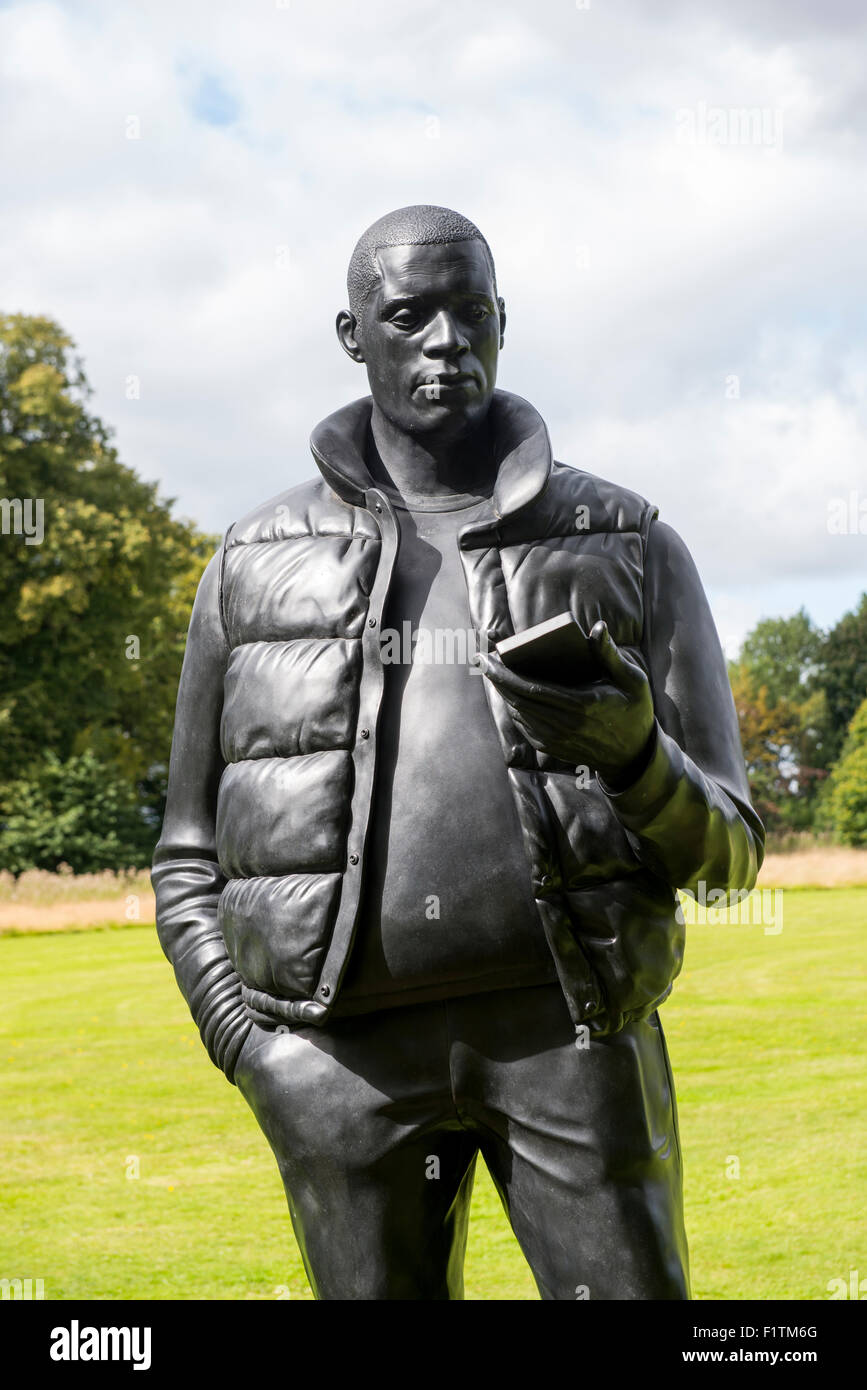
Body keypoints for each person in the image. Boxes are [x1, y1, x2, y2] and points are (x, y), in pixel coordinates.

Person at [152, 204, 764, 1300]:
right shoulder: (250, 563)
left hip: (574, 1046)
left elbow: (731, 854)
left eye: (471, 312)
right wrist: (251, 1044)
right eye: (409, 314)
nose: (445, 340)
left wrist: (635, 760)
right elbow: (188, 854)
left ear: (503, 321)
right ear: (353, 334)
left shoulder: (629, 542)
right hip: (337, 1069)